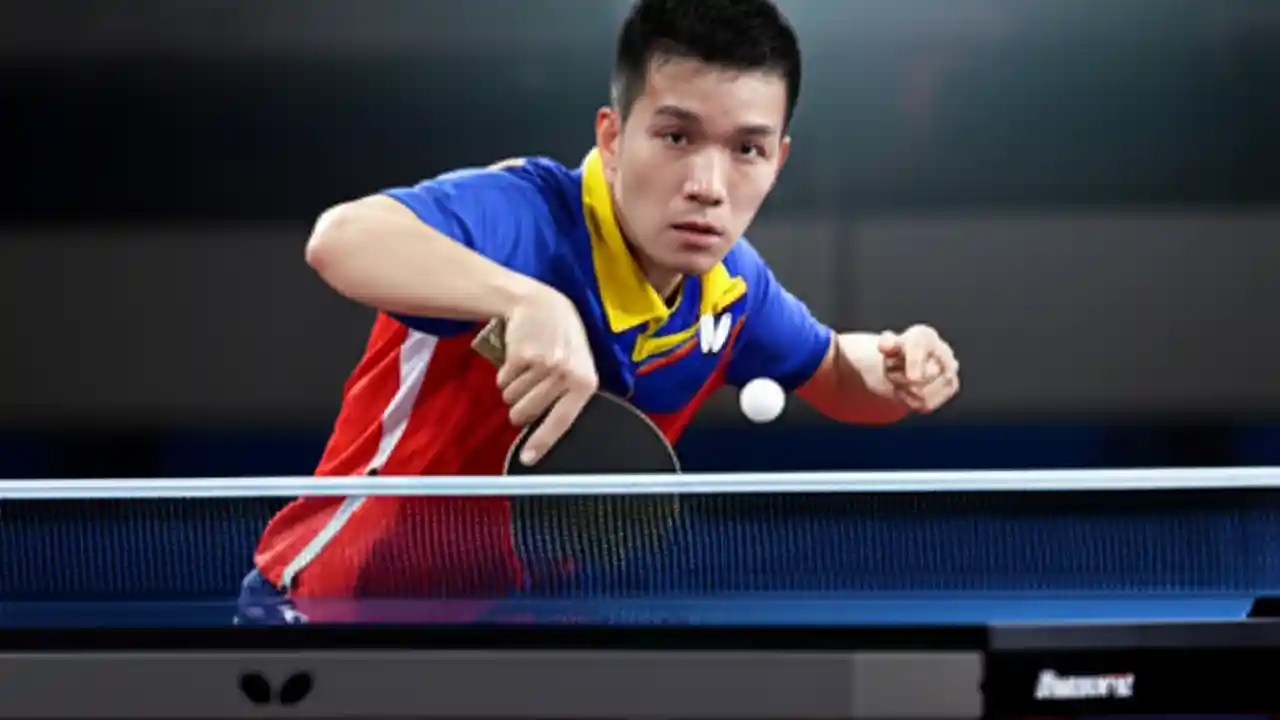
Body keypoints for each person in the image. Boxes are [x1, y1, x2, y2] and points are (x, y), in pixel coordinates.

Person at [245, 0, 961, 604]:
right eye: (676, 137)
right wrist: (528, 302)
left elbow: (838, 373)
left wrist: (898, 367)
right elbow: (341, 238)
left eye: (747, 149)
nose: (708, 184)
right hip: (332, 614)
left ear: (778, 160)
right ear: (613, 139)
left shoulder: (733, 291)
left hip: (526, 629)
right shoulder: (527, 219)